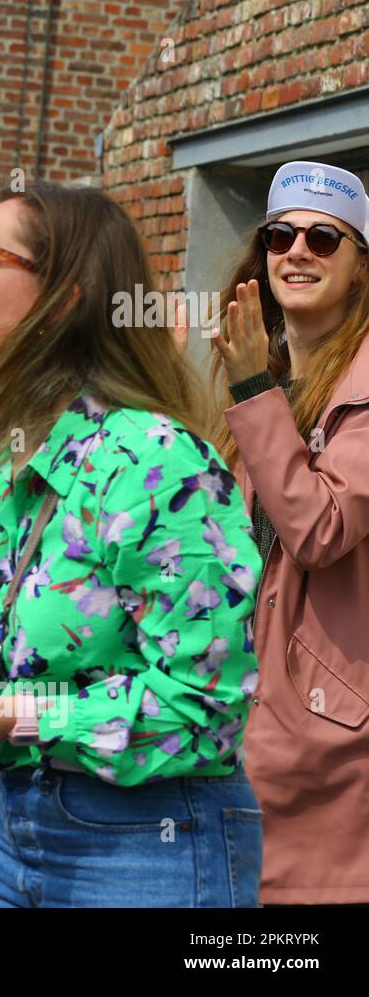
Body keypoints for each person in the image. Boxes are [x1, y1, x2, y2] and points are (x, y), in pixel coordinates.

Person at [0, 182, 263, 908]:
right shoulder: (20, 452)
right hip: (18, 834)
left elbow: (207, 707)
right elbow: (2, 641)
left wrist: (19, 715)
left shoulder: (157, 461)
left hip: (147, 849)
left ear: (65, 298)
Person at [209, 160, 369, 906]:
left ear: (361, 266)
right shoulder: (269, 381)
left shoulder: (352, 392)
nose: (296, 251)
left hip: (326, 740)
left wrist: (250, 391)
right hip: (237, 715)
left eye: (324, 239)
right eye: (280, 235)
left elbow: (319, 528)